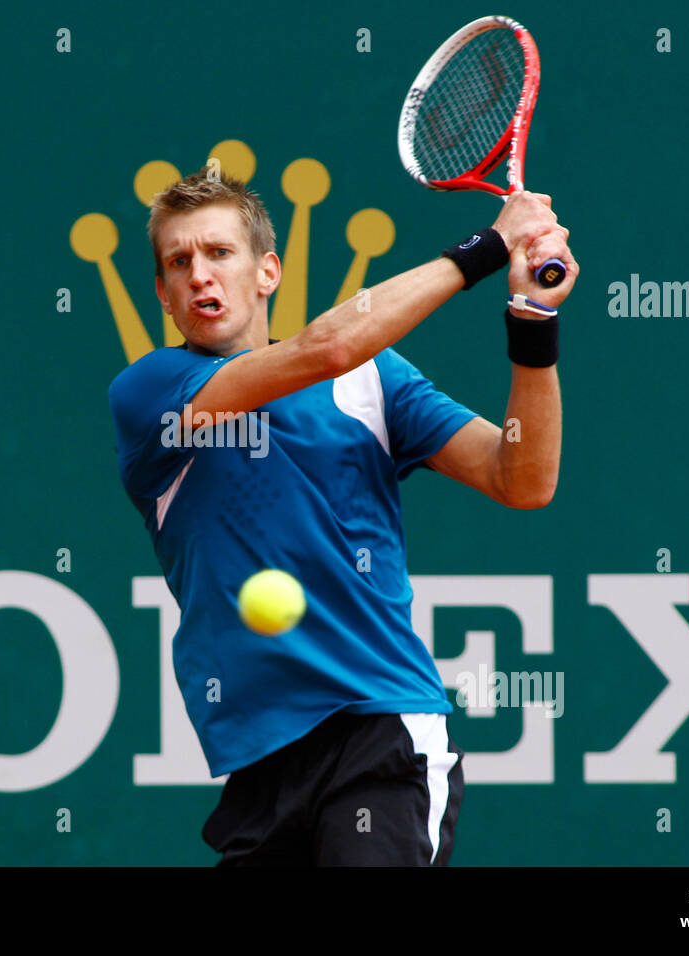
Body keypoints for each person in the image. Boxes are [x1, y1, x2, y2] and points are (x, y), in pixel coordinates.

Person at [107, 166, 577, 866]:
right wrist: (484, 249)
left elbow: (522, 477)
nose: (200, 276)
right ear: (164, 297)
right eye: (180, 263)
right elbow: (327, 347)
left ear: (267, 271)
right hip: (260, 767)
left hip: (378, 736)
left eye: (219, 253)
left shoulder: (373, 383)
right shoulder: (149, 395)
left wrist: (533, 325)